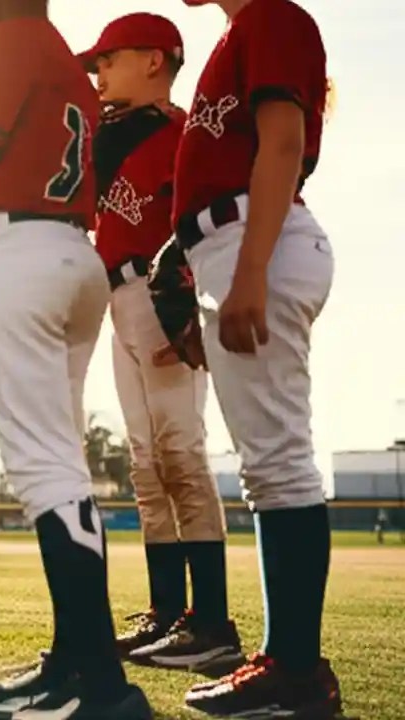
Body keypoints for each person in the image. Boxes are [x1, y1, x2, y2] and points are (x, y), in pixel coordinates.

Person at [0, 1, 152, 717]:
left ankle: (97, 679)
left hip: (18, 252)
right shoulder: (59, 55)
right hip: (75, 252)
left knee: (45, 467)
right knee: (63, 464)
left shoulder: (5, 35)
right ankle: (78, 656)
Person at [173, 0, 341, 716]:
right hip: (236, 245)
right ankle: (287, 662)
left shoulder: (272, 14)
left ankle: (296, 670)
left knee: (278, 461)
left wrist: (248, 272)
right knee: (267, 464)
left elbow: (281, 145)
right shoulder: (244, 30)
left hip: (256, 243)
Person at [76, 13, 241, 671]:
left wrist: (188, 315)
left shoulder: (181, 136)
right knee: (146, 464)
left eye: (108, 58)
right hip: (117, 297)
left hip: (161, 294)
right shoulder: (112, 138)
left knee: (180, 453)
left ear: (154, 60)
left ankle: (213, 622)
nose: (98, 71)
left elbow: (199, 228)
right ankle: (168, 613)